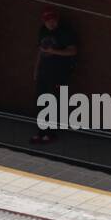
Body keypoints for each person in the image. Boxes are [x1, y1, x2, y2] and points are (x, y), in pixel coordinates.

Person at [31, 8, 77, 145]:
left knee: (53, 101)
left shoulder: (65, 32)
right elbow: (40, 50)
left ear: (57, 19)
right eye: (47, 21)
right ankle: (41, 130)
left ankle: (51, 132)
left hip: (58, 72)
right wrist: (36, 69)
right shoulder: (43, 31)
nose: (50, 23)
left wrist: (54, 51)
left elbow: (73, 51)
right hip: (44, 71)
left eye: (53, 20)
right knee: (41, 100)